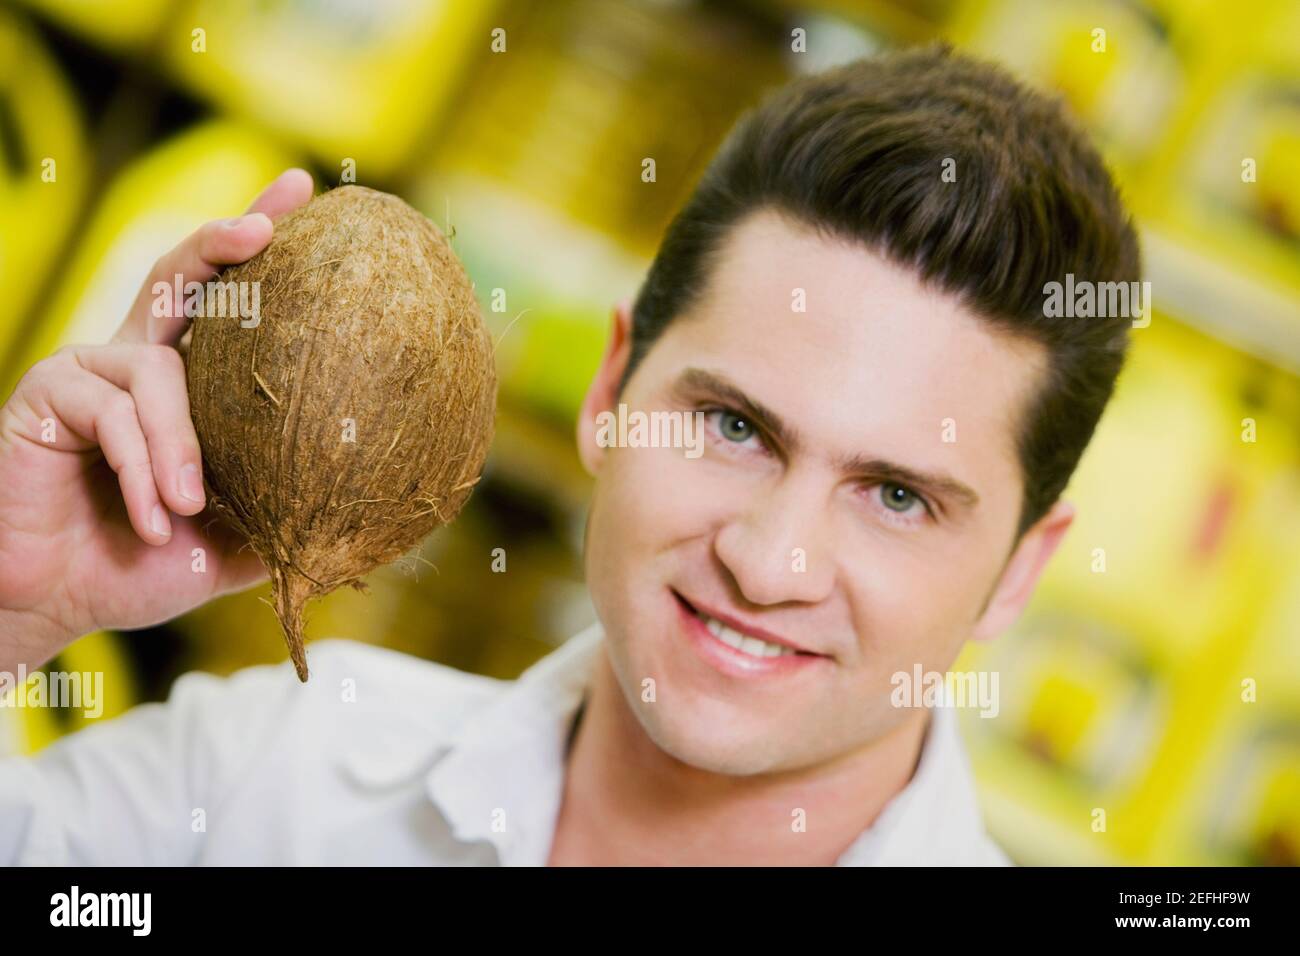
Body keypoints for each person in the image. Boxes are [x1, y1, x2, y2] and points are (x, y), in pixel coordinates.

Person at [0, 43, 1139, 865]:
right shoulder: (271, 774)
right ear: (610, 390)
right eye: (734, 426)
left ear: (1019, 571)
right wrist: (15, 607)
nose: (769, 559)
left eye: (895, 495)